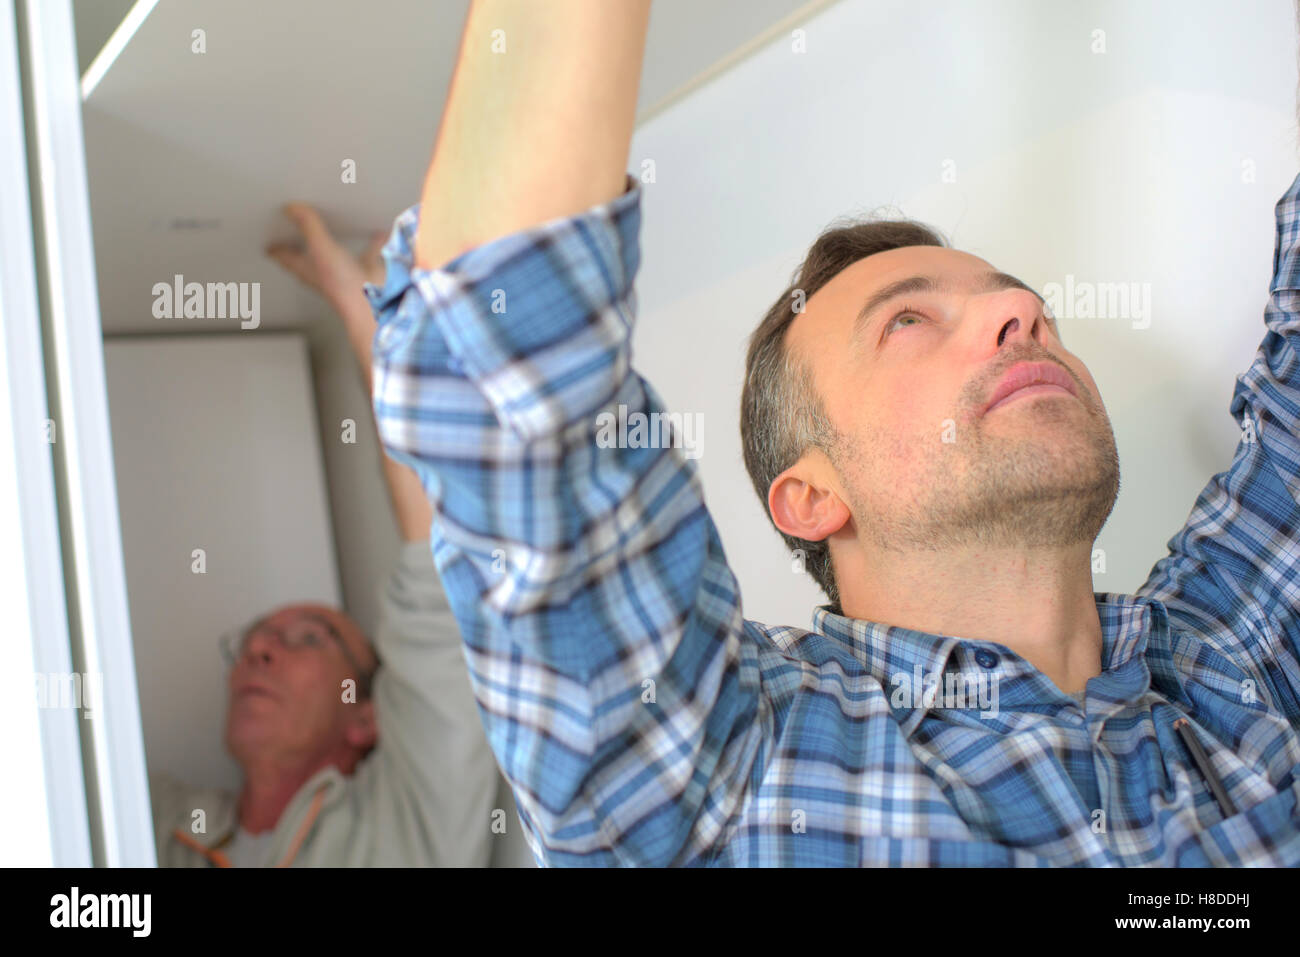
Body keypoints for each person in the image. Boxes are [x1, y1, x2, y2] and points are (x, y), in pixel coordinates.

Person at [366, 0, 1300, 865]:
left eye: (1020, 300)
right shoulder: (736, 768)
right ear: (811, 496)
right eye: (908, 321)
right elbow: (497, 369)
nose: (1024, 308)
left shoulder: (1232, 651)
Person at [146, 206, 533, 866]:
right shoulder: (157, 825)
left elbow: (435, 569)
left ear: (368, 718)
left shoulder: (408, 832)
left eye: (294, 639)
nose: (259, 651)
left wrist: (363, 318)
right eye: (291, 636)